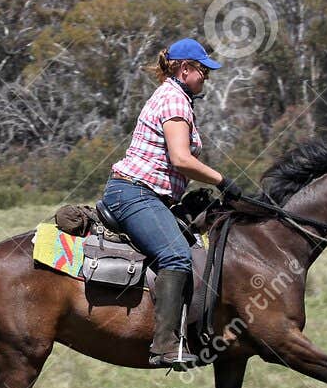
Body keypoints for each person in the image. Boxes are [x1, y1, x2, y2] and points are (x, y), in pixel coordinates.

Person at [101, 38, 249, 369]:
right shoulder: (175, 101)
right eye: (202, 71)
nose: (205, 78)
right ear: (185, 69)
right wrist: (221, 180)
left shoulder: (174, 96)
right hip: (135, 194)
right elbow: (181, 159)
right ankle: (164, 346)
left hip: (145, 194)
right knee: (177, 257)